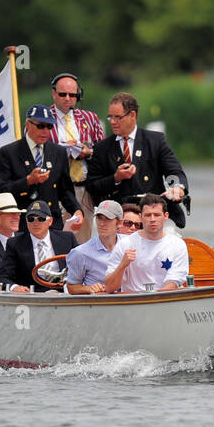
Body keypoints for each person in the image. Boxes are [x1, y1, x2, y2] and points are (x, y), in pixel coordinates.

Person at [85, 92, 189, 227]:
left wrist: (178, 187)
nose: (112, 122)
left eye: (118, 117)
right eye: (110, 117)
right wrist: (116, 178)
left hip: (151, 213)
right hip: (120, 219)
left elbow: (174, 171)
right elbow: (92, 186)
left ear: (132, 115)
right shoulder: (102, 148)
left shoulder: (155, 141)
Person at [0, 104, 83, 233]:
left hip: (51, 223)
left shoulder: (58, 152)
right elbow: (1, 192)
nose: (45, 131)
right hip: (23, 224)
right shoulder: (9, 152)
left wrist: (77, 210)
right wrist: (28, 181)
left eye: (49, 126)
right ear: (28, 125)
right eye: (41, 126)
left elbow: (65, 190)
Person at [47, 73, 107, 244]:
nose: (67, 99)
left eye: (72, 95)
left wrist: (88, 152)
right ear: (54, 94)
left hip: (84, 188)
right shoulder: (42, 118)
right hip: (56, 188)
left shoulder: (89, 118)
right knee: (56, 238)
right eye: (63, 94)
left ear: (78, 95)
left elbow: (103, 151)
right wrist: (61, 151)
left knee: (82, 240)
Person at [101, 193, 189, 293]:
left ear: (166, 216)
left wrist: (152, 300)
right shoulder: (125, 244)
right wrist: (123, 265)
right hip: (133, 302)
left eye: (157, 215)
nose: (152, 219)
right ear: (140, 217)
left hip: (165, 301)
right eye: (148, 215)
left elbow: (173, 283)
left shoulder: (178, 244)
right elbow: (109, 288)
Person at [0, 200, 79, 293]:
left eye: (41, 219)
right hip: (32, 297)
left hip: (64, 294)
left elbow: (82, 265)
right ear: (26, 222)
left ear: (50, 221)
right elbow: (3, 277)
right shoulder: (15, 244)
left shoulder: (67, 238)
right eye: (31, 219)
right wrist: (14, 287)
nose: (35, 223)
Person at [65, 200, 125, 294]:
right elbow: (71, 287)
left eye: (108, 219)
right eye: (99, 218)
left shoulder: (130, 243)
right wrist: (89, 288)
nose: (101, 223)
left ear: (120, 223)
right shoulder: (80, 253)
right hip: (99, 304)